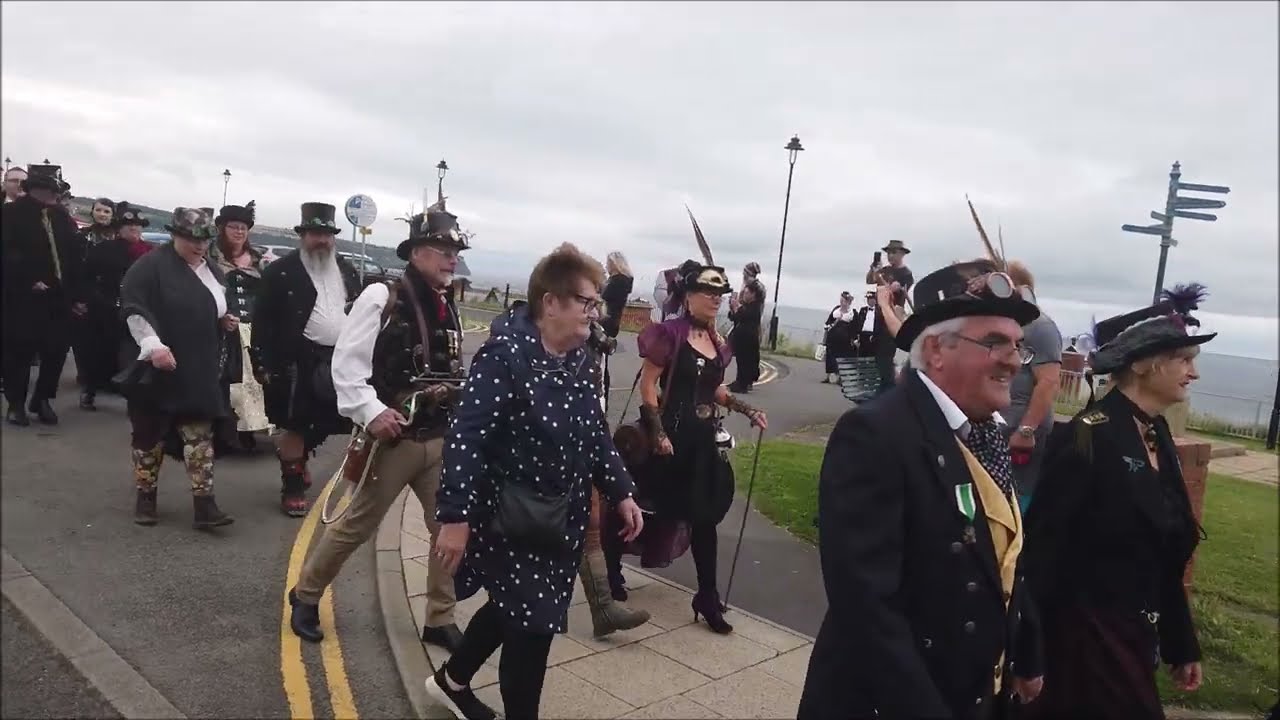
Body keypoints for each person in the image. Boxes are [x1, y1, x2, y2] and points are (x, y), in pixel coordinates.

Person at [799, 260, 1043, 720]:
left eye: (1018, 346)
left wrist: (1026, 653)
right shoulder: (874, 434)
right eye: (994, 343)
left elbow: (1004, 561)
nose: (1013, 360)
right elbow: (866, 605)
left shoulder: (987, 432)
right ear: (935, 350)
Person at [426, 243, 645, 720]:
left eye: (596, 305)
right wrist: (455, 518)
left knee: (515, 611)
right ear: (551, 303)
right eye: (587, 303)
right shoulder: (504, 358)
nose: (595, 314)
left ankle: (451, 679)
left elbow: (594, 434)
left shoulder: (579, 360)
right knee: (532, 631)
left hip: (557, 525)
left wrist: (621, 490)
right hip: (508, 520)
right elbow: (466, 440)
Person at [1018, 283, 1213, 720]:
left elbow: (1162, 555)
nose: (1194, 373)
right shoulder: (1087, 437)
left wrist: (1181, 645)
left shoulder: (1155, 433)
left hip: (1133, 639)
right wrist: (1027, 653)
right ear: (1144, 364)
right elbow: (1040, 556)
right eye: (1184, 360)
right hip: (1083, 643)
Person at [289, 199, 468, 650]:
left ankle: (439, 617)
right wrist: (371, 412)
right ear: (415, 252)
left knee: (446, 529)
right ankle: (306, 595)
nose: (452, 257)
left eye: (454, 250)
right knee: (357, 525)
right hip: (394, 438)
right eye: (442, 248)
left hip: (440, 436)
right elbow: (346, 365)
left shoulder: (448, 303)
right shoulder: (380, 296)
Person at [620, 258, 767, 634]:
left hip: (701, 440)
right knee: (648, 507)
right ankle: (608, 566)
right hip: (668, 438)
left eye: (720, 294)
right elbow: (649, 385)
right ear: (688, 296)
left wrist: (747, 408)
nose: (716, 299)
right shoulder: (668, 334)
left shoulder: (716, 342)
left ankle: (707, 594)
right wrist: (658, 432)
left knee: (703, 518)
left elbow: (713, 390)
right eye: (709, 293)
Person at [117, 207, 237, 528]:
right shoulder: (150, 267)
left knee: (199, 434)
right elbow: (134, 309)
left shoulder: (210, 268)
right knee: (149, 436)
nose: (198, 246)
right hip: (158, 364)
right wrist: (153, 345)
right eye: (190, 240)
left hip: (198, 366)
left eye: (204, 240)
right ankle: (146, 498)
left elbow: (213, 303)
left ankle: (205, 505)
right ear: (175, 235)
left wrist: (223, 319)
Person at [251, 202, 361, 517]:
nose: (321, 240)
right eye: (315, 233)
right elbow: (263, 321)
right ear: (303, 235)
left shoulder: (345, 270)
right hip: (295, 361)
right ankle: (293, 486)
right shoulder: (280, 272)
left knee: (327, 423)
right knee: (296, 425)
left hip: (337, 360)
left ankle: (296, 462)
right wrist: (262, 363)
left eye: (327, 234)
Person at [2, 164, 87, 426]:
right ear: (34, 191)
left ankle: (42, 399)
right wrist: (28, 279)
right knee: (20, 352)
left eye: (55, 192)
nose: (53, 197)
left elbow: (74, 258)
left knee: (56, 350)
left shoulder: (61, 218)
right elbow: (6, 253)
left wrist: (77, 296)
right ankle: (16, 404)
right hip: (22, 297)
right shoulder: (10, 214)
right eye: (48, 192)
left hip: (58, 297)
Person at [78, 201, 152, 410]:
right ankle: (89, 391)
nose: (134, 230)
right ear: (120, 229)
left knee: (134, 354)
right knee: (99, 351)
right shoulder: (104, 249)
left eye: (138, 227)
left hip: (137, 309)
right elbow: (87, 277)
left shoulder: (149, 253)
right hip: (106, 307)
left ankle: (132, 395)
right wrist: (90, 299)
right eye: (130, 227)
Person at [209, 201, 269, 454]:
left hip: (252, 327)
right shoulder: (211, 257)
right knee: (224, 379)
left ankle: (246, 430)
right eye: (233, 227)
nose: (239, 232)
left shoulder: (257, 260)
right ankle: (223, 431)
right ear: (222, 228)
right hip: (221, 327)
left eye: (243, 227)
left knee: (253, 381)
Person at [1000, 261, 1061, 514]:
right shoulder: (1008, 322)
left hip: (1022, 430)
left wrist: (1026, 431)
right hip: (1002, 425)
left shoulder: (1040, 326)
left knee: (1018, 496)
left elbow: (1048, 381)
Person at [865, 239, 914, 392]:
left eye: (893, 252)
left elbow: (896, 289)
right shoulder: (884, 270)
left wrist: (893, 287)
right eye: (888, 253)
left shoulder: (906, 274)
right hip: (878, 317)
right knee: (875, 356)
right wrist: (873, 270)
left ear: (901, 254)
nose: (890, 256)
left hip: (891, 319)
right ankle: (881, 389)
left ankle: (887, 391)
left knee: (885, 356)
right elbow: (869, 280)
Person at [727, 261, 765, 393]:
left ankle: (744, 382)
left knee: (747, 357)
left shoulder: (756, 288)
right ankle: (744, 381)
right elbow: (737, 314)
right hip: (744, 326)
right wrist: (734, 309)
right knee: (745, 357)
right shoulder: (749, 287)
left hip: (749, 328)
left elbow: (749, 313)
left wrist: (737, 307)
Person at [599, 250, 633, 396]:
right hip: (610, 321)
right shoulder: (618, 281)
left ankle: (603, 394)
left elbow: (604, 297)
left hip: (607, 322)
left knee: (601, 361)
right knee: (601, 361)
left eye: (608, 263)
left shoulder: (618, 282)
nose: (607, 266)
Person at [821, 291, 857, 384]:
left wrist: (854, 339)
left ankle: (840, 377)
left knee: (842, 357)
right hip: (833, 337)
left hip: (844, 339)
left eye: (844, 300)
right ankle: (828, 376)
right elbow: (828, 322)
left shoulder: (852, 313)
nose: (842, 302)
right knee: (830, 356)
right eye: (841, 300)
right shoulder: (836, 310)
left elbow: (855, 327)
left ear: (848, 301)